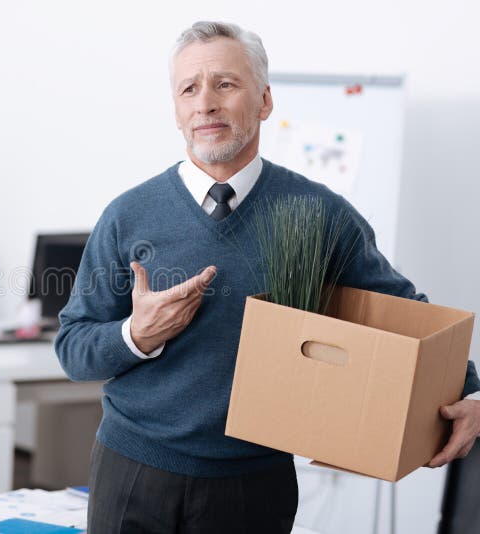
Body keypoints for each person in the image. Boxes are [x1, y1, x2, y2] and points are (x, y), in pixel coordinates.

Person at [54, 21, 480, 533]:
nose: (205, 103)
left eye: (225, 84)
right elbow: (73, 347)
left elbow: (408, 317)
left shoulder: (320, 215)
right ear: (176, 109)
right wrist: (136, 336)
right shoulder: (127, 216)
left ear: (264, 100)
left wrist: (472, 395)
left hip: (253, 486)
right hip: (133, 473)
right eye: (189, 88)